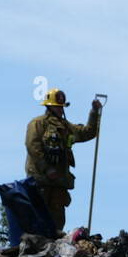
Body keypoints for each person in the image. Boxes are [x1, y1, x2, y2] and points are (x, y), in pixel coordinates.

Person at [25, 88, 101, 235]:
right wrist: (47, 169)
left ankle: (52, 249)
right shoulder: (37, 124)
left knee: (57, 221)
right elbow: (32, 146)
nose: (60, 109)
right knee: (37, 219)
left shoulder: (66, 127)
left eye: (61, 107)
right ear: (48, 106)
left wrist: (94, 112)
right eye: (57, 106)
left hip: (59, 183)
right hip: (40, 181)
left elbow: (88, 132)